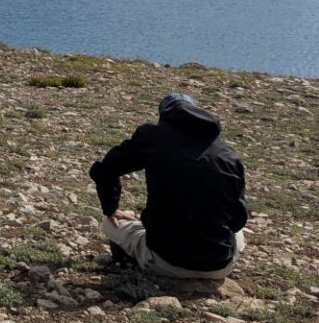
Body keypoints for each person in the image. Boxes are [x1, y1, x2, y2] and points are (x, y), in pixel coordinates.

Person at [89, 92, 248, 279]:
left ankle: (128, 263)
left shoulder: (154, 137)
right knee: (239, 233)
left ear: (164, 116)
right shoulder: (227, 155)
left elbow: (104, 170)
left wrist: (111, 207)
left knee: (110, 223)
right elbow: (238, 219)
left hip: (164, 262)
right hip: (219, 266)